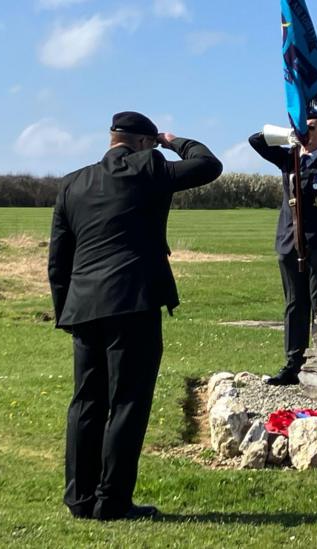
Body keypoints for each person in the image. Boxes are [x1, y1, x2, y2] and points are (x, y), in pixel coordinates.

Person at [48, 111, 222, 520]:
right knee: (128, 401)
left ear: (112, 139)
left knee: (86, 402)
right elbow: (208, 165)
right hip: (134, 303)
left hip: (84, 306)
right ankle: (112, 501)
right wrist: (172, 141)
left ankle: (80, 499)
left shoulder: (72, 182)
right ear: (143, 142)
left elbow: (59, 259)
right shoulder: (149, 166)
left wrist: (66, 310)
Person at [249, 110, 317, 385]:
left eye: (313, 127)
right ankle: (293, 364)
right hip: (289, 241)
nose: (307, 131)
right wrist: (287, 135)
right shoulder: (289, 157)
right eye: (304, 126)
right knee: (295, 304)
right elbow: (255, 140)